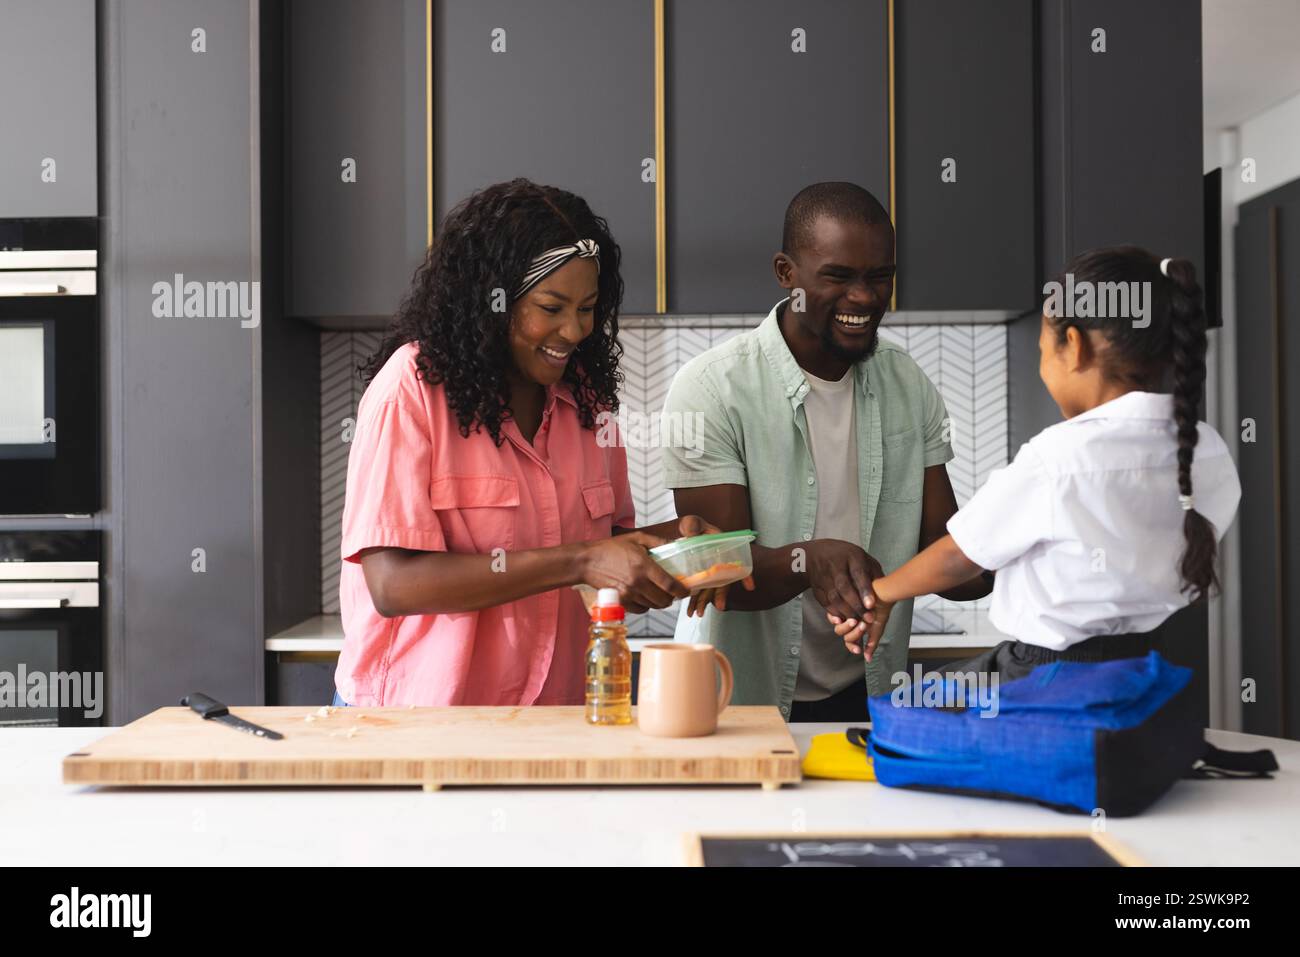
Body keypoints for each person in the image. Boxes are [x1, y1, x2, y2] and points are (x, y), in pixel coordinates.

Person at [334, 179, 716, 707]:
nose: (576, 330)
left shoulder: (585, 402)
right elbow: (394, 585)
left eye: (588, 308)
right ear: (491, 300)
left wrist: (672, 546)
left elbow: (604, 545)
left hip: (555, 718)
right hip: (419, 724)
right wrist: (583, 560)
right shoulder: (411, 390)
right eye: (552, 306)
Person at [661, 182, 990, 722]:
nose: (863, 297)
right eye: (838, 276)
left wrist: (1017, 545)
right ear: (786, 274)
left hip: (870, 694)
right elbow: (722, 581)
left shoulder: (908, 384)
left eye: (879, 277)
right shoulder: (712, 389)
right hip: (737, 699)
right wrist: (808, 560)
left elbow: (947, 554)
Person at [834, 247, 1241, 683]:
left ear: (1074, 345)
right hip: (1141, 673)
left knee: (903, 716)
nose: (1043, 365)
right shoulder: (1206, 449)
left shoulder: (1058, 458)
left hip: (1043, 677)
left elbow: (959, 556)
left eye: (1043, 348)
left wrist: (881, 593)